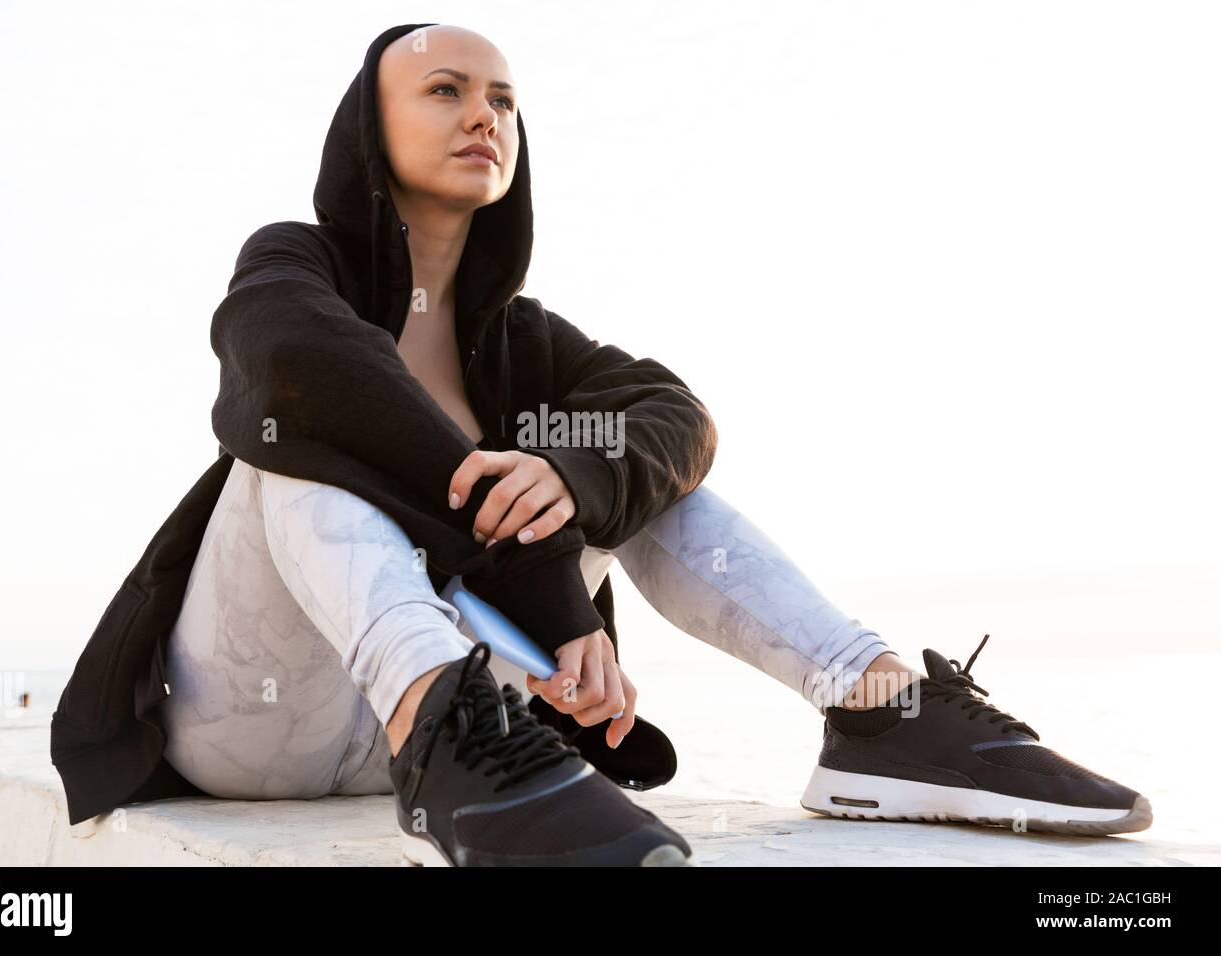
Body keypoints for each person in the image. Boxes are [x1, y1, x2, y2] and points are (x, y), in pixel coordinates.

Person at [156, 22, 1151, 867]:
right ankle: (445, 741)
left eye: (503, 100)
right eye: (446, 90)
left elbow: (676, 414)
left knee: (623, 464)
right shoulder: (293, 264)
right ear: (369, 125)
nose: (484, 116)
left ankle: (877, 709)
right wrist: (549, 582)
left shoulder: (528, 348)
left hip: (470, 732)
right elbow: (300, 367)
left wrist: (576, 479)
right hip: (252, 725)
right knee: (292, 442)